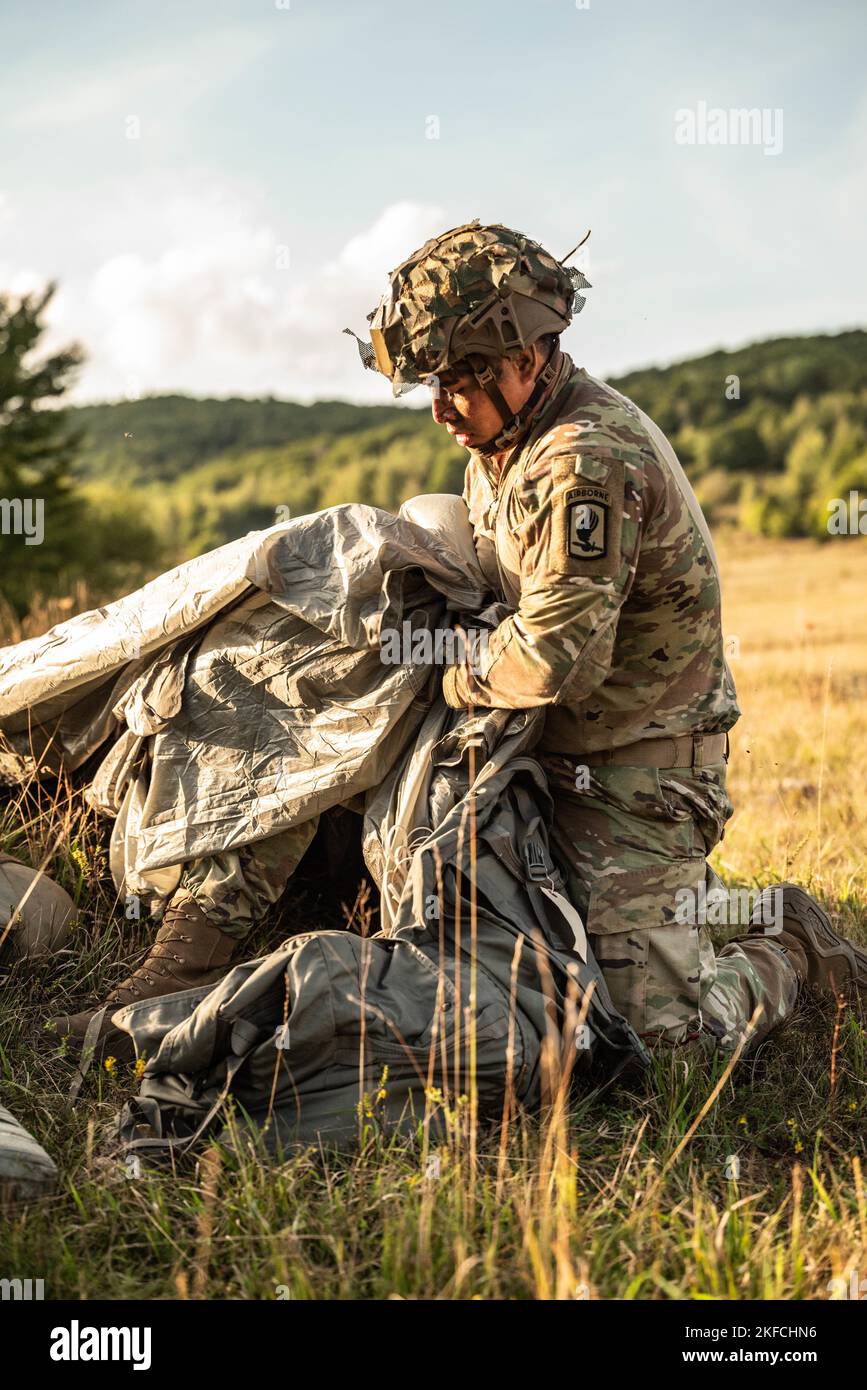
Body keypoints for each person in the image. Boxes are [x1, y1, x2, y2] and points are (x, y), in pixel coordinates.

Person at [351, 218, 867, 1054]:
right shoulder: (505, 447)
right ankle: (702, 908)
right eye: (430, 387)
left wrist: (437, 673)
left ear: (523, 358)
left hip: (636, 777)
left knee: (663, 1046)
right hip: (553, 764)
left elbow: (557, 661)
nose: (440, 409)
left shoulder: (581, 461)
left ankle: (788, 949)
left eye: (455, 381)